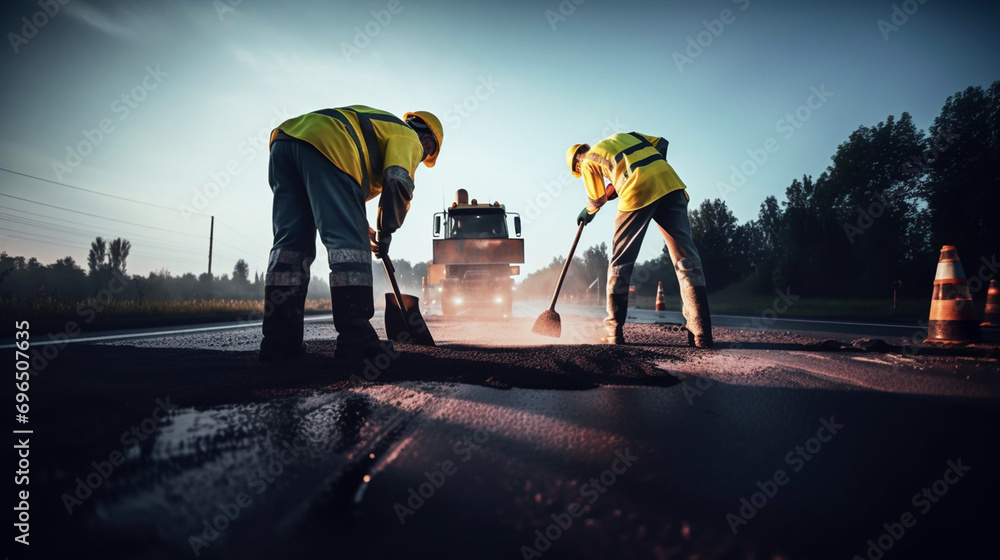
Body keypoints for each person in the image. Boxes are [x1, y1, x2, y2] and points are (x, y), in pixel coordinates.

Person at [260, 106, 443, 361]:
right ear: (427, 142)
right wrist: (385, 233)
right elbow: (398, 181)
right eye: (427, 155)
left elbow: (334, 198)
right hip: (328, 145)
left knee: (291, 247)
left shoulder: (383, 128)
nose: (421, 159)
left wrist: (365, 228)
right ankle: (356, 339)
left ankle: (279, 344)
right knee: (350, 248)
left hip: (286, 141)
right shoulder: (409, 137)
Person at [567, 132, 712, 348]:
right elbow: (662, 143)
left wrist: (589, 212)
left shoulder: (587, 161)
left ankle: (614, 332)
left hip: (637, 189)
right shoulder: (625, 136)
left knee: (620, 262)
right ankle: (701, 334)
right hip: (670, 184)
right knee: (687, 262)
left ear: (577, 161)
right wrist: (648, 172)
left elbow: (596, 198)